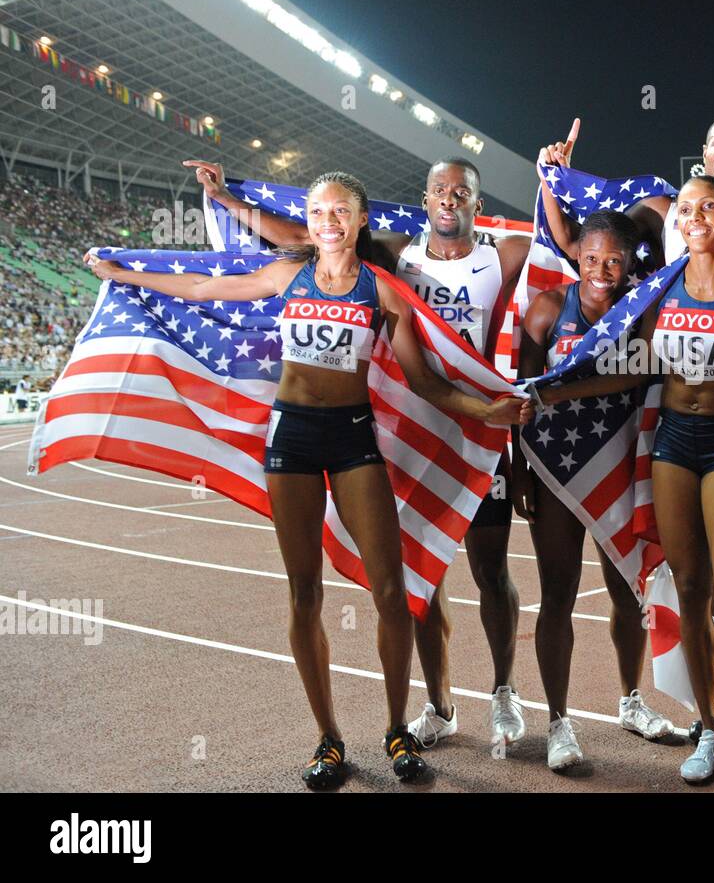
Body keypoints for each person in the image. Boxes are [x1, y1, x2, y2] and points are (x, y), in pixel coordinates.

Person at [84, 171, 532, 789]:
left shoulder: (385, 291)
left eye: (340, 211)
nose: (328, 221)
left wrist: (489, 412)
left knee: (392, 591)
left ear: (361, 219)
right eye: (319, 211)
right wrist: (124, 275)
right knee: (304, 593)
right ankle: (328, 739)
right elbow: (199, 285)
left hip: (353, 438)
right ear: (311, 219)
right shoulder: (285, 274)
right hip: (290, 439)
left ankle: (397, 729)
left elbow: (425, 381)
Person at [534, 176, 714, 784]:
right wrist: (548, 391)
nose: (696, 217)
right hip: (672, 445)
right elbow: (629, 371)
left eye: (708, 208)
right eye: (686, 210)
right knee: (691, 591)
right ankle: (710, 726)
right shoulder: (659, 289)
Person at [513, 210, 674, 771]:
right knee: (557, 594)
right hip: (555, 467)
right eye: (592, 258)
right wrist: (516, 471)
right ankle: (559, 721)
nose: (602, 270)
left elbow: (648, 369)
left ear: (631, 262)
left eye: (614, 260)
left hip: (622, 462)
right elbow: (520, 397)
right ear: (576, 254)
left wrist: (564, 392)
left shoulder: (642, 310)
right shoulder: (548, 309)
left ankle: (632, 700)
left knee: (631, 590)